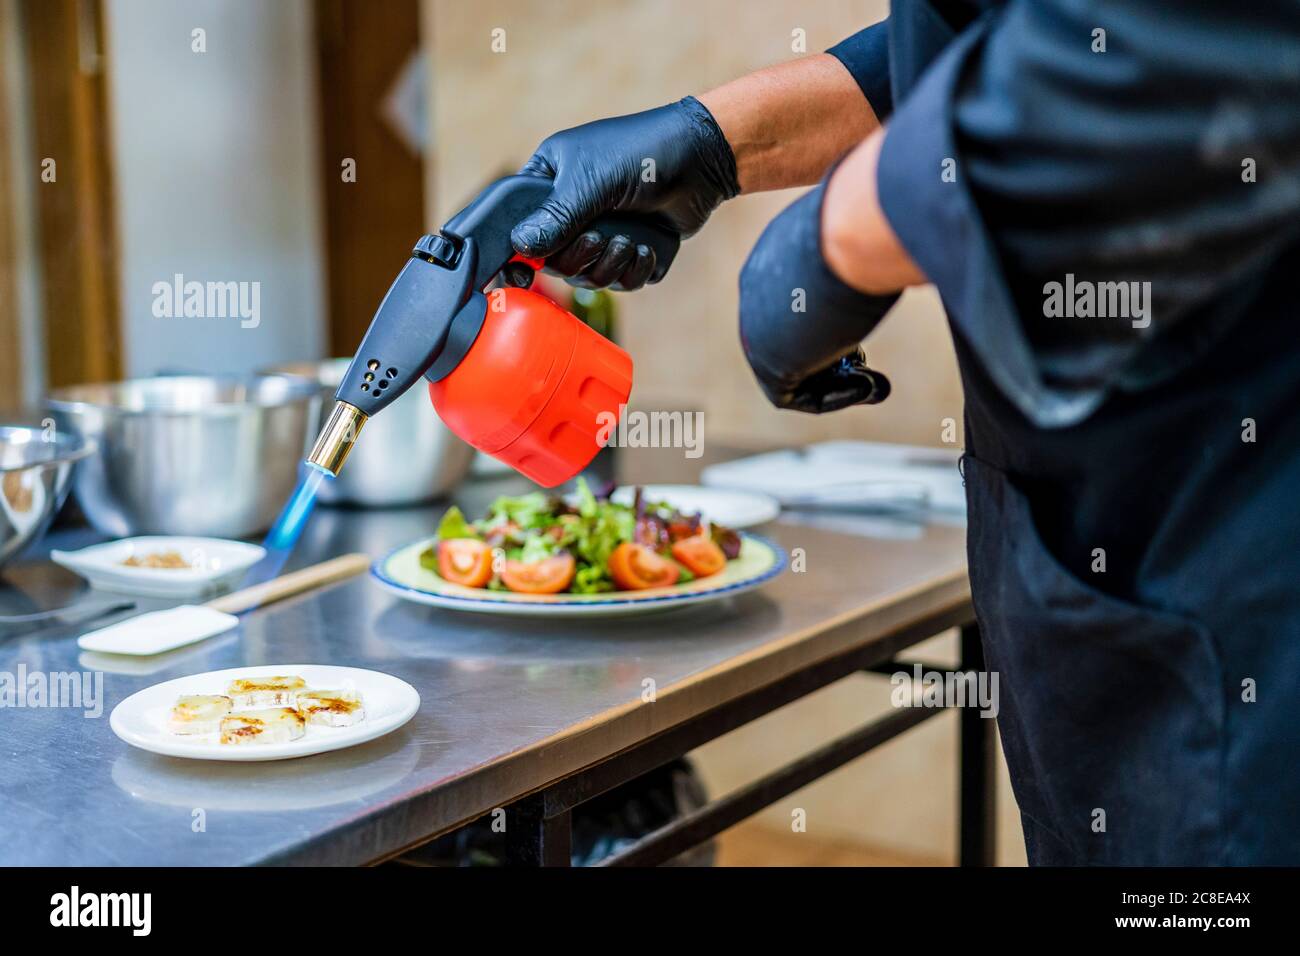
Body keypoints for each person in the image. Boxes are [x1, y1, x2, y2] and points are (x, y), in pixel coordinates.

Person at [504, 3, 1300, 865]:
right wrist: (715, 140)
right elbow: (996, 37)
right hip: (1103, 546)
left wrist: (828, 248)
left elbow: (1143, 59)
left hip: (1237, 546)